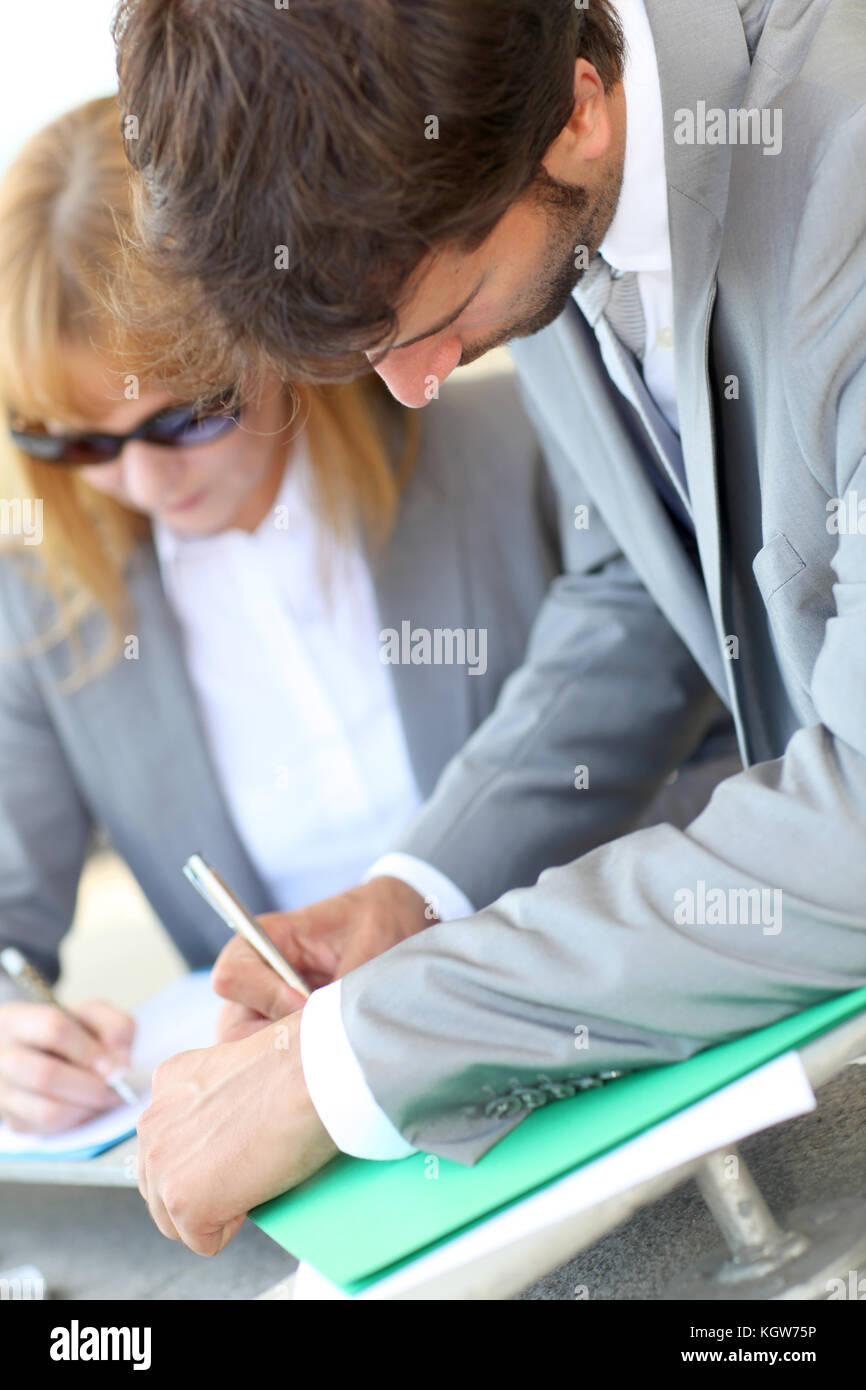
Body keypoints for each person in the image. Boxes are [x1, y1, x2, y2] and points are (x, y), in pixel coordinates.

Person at [108, 0, 866, 1256]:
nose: (419, 384)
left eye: (424, 327)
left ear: (577, 111)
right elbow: (654, 574)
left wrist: (350, 1060)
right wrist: (418, 892)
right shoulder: (514, 160)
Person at [0, 97, 563, 1133]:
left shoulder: (510, 453)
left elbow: (680, 745)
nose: (139, 478)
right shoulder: (42, 605)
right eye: (75, 443)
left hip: (567, 1038)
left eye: (184, 413)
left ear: (274, 329)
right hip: (307, 1129)